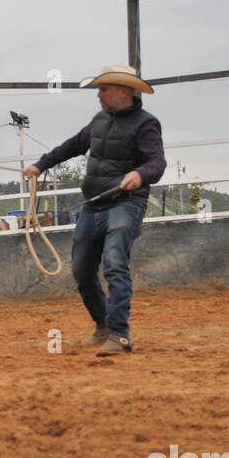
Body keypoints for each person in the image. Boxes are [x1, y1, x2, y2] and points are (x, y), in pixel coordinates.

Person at [23, 64, 166, 356]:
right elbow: (73, 146)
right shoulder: (98, 121)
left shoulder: (146, 124)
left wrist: (140, 174)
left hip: (125, 204)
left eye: (103, 89)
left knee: (114, 263)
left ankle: (119, 335)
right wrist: (41, 164)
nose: (98, 95)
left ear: (123, 91)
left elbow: (157, 162)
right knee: (82, 270)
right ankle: (102, 324)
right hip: (93, 205)